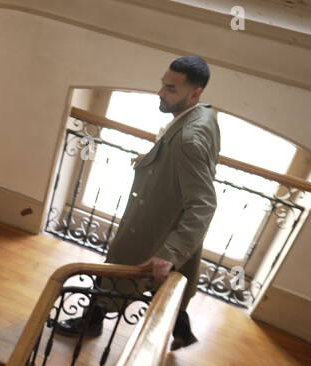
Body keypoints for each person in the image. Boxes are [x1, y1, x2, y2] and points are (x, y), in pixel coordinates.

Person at [58, 56, 220, 350]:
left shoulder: (189, 139)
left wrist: (169, 251)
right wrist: (155, 159)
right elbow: (186, 157)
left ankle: (91, 321)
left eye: (171, 89)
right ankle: (182, 332)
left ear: (195, 93)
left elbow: (204, 203)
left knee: (116, 269)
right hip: (169, 217)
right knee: (167, 281)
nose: (161, 93)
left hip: (156, 226)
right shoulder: (204, 115)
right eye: (162, 84)